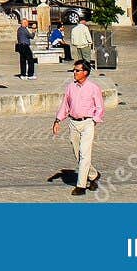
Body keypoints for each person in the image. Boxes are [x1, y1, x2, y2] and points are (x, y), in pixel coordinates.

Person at [53, 61, 104, 195]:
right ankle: (93, 175)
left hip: (87, 123)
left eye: (77, 70)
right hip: (73, 123)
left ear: (85, 72)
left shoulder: (93, 88)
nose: (74, 73)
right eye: (74, 70)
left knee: (84, 153)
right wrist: (58, 120)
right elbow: (65, 105)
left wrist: (94, 120)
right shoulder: (70, 87)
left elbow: (99, 107)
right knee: (78, 154)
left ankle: (81, 186)